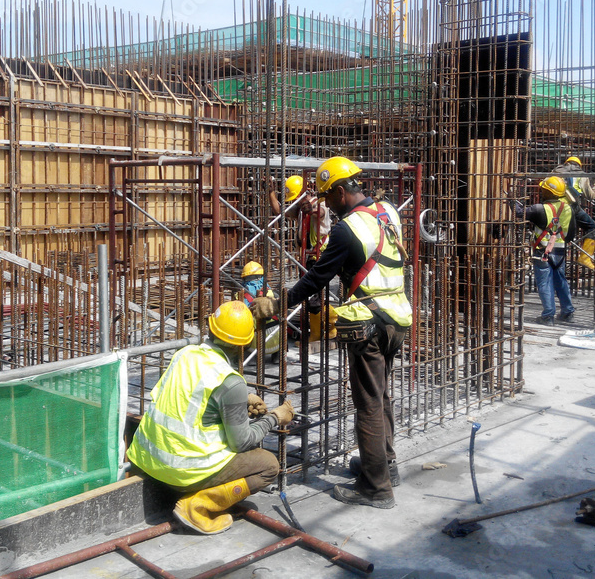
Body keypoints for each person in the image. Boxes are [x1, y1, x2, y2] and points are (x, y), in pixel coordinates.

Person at [254, 156, 411, 509]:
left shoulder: (346, 229)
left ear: (341, 192)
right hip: (397, 318)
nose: (325, 203)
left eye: (328, 197)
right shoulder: (388, 212)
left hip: (368, 324)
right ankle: (386, 464)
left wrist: (279, 303)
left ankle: (376, 487)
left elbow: (316, 278)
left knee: (368, 404)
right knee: (382, 395)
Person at [127, 300, 294, 534]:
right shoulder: (230, 381)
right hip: (181, 471)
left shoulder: (184, 355)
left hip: (147, 460)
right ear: (243, 344)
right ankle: (197, 506)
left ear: (211, 328)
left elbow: (191, 397)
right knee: (268, 465)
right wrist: (275, 417)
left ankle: (196, 494)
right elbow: (242, 441)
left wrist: (240, 400)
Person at [514, 176, 595, 326]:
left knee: (545, 283)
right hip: (560, 252)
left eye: (544, 190)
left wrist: (511, 200)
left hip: (542, 252)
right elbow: (571, 234)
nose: (542, 192)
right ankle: (567, 312)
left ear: (549, 192)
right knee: (560, 281)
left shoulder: (539, 209)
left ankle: (548, 316)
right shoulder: (568, 209)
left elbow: (519, 212)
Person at [269, 174, 336, 342]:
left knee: (313, 296)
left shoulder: (318, 204)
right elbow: (279, 212)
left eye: (296, 198)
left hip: (318, 253)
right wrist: (270, 193)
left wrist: (310, 209)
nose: (295, 201)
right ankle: (328, 326)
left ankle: (325, 328)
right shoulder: (299, 207)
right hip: (307, 254)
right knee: (313, 296)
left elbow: (319, 213)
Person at [552, 156, 595, 269]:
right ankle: (585, 258)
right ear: (579, 165)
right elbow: (590, 196)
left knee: (556, 232)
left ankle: (553, 257)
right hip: (571, 207)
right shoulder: (582, 175)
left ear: (566, 163)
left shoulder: (555, 171)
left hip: (553, 207)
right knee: (592, 226)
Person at [238, 261, 280, 357]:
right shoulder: (274, 294)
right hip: (276, 344)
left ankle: (248, 356)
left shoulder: (241, 297)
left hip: (254, 347)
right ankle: (278, 356)